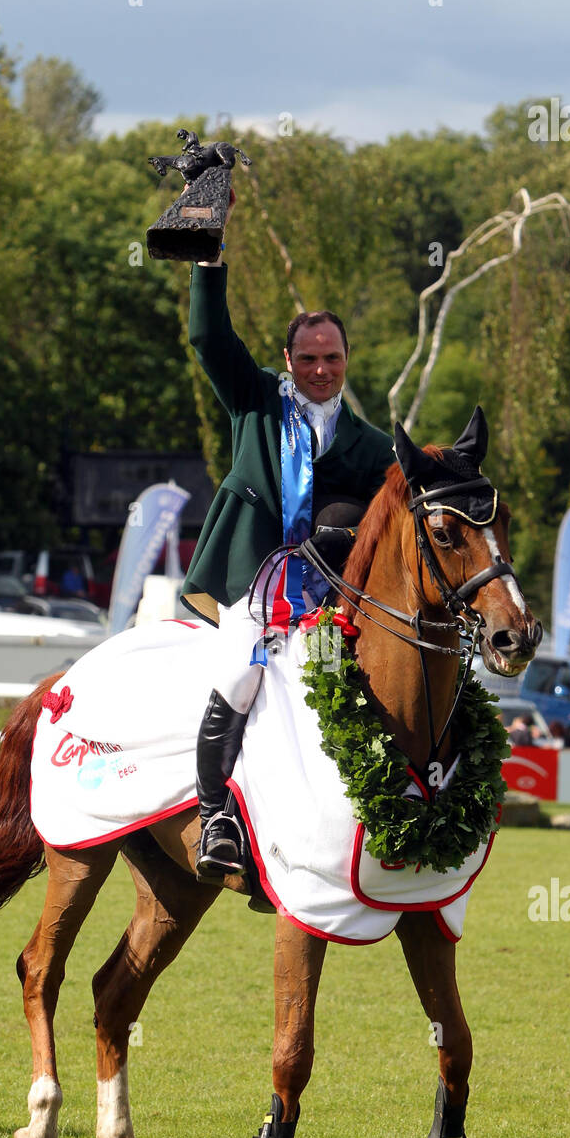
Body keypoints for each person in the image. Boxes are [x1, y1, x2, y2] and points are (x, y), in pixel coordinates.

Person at [181, 190, 394, 880]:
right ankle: (215, 815)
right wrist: (210, 250)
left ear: (346, 358)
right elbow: (208, 337)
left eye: (331, 358)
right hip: (252, 581)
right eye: (308, 358)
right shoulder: (254, 402)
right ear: (288, 357)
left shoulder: (370, 446)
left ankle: (349, 822)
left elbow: (398, 522)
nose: (321, 370)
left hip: (327, 602)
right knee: (244, 674)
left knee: (349, 688)